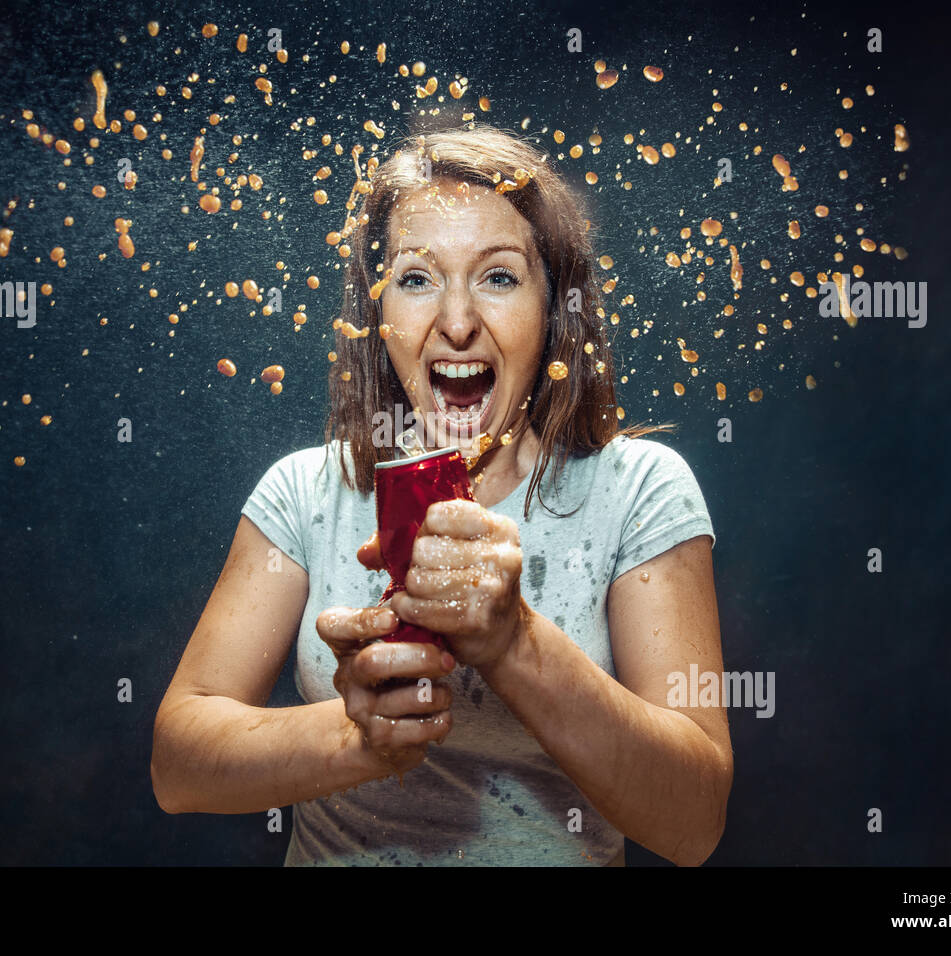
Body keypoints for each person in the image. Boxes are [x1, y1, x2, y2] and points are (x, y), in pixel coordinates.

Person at [152, 125, 732, 866]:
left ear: (556, 311)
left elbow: (695, 824)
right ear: (376, 311)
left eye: (499, 277)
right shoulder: (305, 493)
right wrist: (356, 735)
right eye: (417, 278)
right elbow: (176, 768)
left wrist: (514, 642)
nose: (457, 324)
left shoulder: (640, 491)